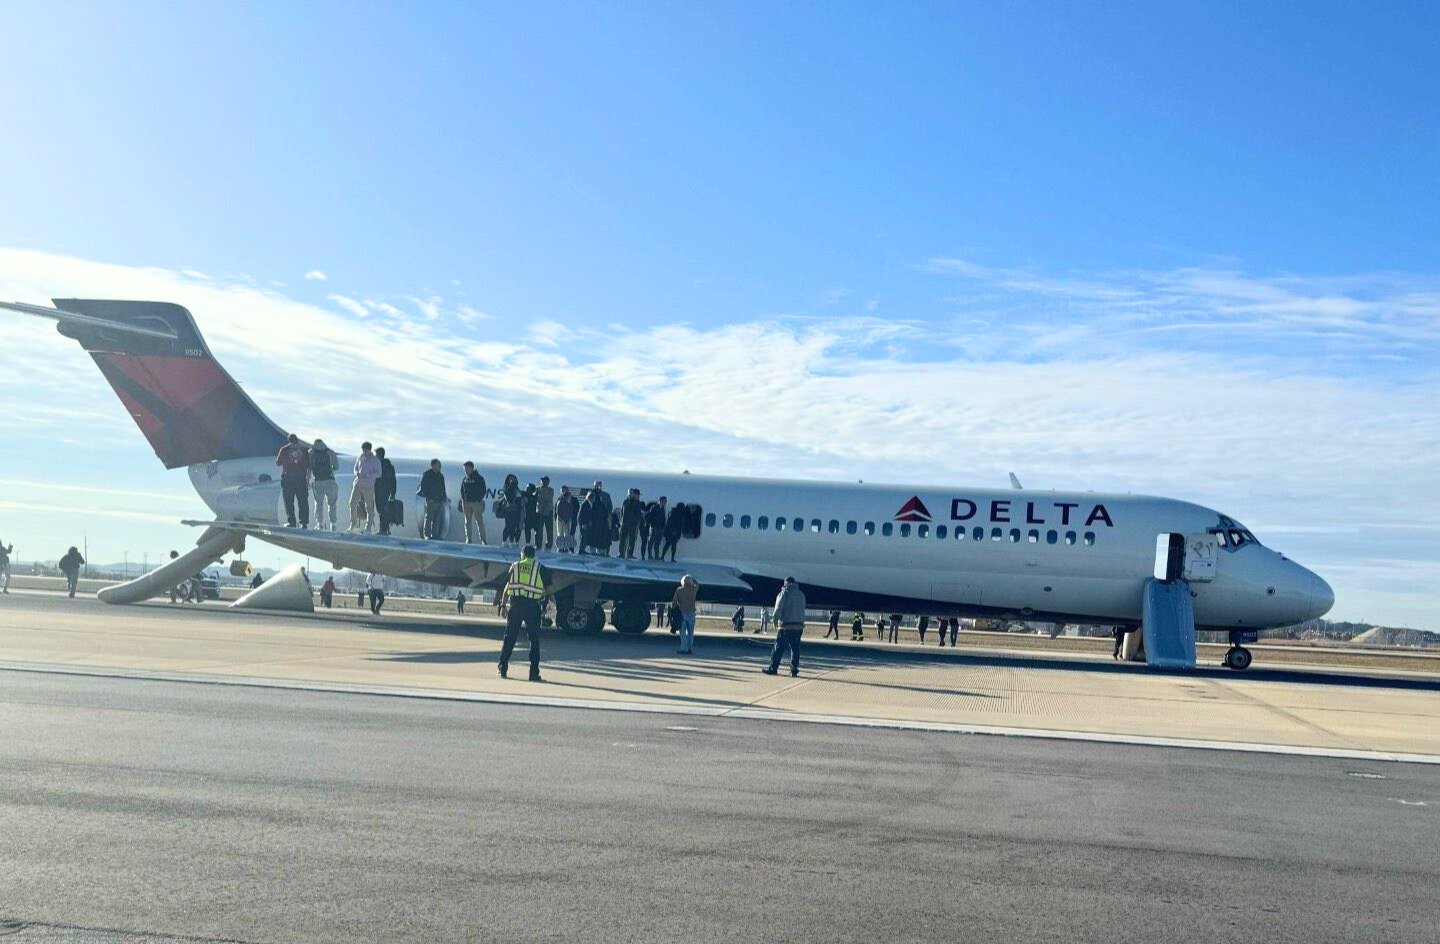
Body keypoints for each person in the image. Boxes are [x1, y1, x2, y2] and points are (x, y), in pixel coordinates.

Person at [497, 544, 549, 681]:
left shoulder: (514, 566)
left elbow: (507, 588)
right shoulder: (540, 568)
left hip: (516, 605)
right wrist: (543, 604)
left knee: (509, 638)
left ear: (523, 554)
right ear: (534, 555)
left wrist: (503, 606)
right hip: (533, 607)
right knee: (534, 640)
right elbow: (548, 589)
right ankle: (533, 673)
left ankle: (503, 668)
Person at [763, 577, 807, 677]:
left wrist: (774, 620)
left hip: (786, 626)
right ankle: (794, 670)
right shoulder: (801, 594)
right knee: (795, 649)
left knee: (778, 648)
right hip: (799, 626)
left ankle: (773, 668)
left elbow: (778, 608)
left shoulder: (784, 593)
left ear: (785, 583)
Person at [275, 433, 312, 527]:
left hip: (288, 479)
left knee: (289, 502)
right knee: (303, 502)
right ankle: (304, 523)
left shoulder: (284, 449)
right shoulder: (304, 449)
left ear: (289, 440)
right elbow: (308, 465)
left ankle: (292, 522)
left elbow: (278, 463)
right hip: (301, 479)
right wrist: (308, 479)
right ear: (297, 440)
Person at [310, 438, 340, 530]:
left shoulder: (311, 452)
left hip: (318, 481)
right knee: (332, 503)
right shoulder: (330, 452)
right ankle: (333, 524)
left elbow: (310, 466)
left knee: (318, 504)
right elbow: (336, 467)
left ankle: (320, 524)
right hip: (330, 481)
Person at [351, 442, 381, 533]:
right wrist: (357, 473)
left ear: (369, 449)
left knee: (369, 507)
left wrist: (367, 475)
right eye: (363, 449)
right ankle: (353, 524)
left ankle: (368, 528)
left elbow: (379, 473)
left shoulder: (375, 460)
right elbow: (355, 468)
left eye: (365, 449)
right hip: (358, 483)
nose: (364, 451)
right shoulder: (360, 457)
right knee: (352, 503)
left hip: (368, 486)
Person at [458, 461, 488, 544]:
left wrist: (478, 499)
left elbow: (483, 490)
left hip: (476, 503)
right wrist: (463, 499)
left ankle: (483, 540)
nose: (465, 470)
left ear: (471, 468)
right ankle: (468, 539)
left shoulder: (479, 478)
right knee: (467, 522)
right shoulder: (465, 479)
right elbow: (462, 490)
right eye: (464, 469)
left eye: (466, 468)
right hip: (467, 503)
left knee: (479, 521)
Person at [418, 459, 447, 539]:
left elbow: (443, 488)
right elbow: (423, 487)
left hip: (439, 501)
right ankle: (427, 534)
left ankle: (434, 534)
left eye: (438, 466)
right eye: (435, 465)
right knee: (429, 518)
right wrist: (428, 497)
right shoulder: (427, 474)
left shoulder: (441, 476)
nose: (437, 467)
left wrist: (443, 499)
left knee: (437, 519)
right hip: (431, 501)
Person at [671, 575, 699, 654]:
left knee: (682, 633)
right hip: (692, 613)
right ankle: (690, 648)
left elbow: (674, 603)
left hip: (682, 613)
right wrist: (692, 578)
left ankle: (684, 648)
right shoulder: (693, 590)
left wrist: (676, 609)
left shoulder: (679, 590)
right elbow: (698, 584)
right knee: (691, 633)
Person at [374, 446, 397, 535]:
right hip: (386, 491)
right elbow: (393, 480)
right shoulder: (390, 466)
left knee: (382, 510)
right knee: (384, 510)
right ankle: (385, 529)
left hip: (380, 491)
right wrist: (393, 492)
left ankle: (383, 530)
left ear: (379, 455)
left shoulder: (380, 466)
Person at [619, 488, 644, 559]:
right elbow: (623, 512)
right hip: (626, 524)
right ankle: (621, 553)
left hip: (632, 524)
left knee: (632, 540)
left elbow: (638, 514)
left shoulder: (637, 503)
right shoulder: (627, 502)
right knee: (623, 539)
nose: (638, 496)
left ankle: (629, 554)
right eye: (637, 495)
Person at [500, 474, 522, 546]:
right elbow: (509, 498)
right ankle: (504, 541)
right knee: (508, 526)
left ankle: (511, 542)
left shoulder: (517, 488)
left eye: (514, 479)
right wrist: (511, 485)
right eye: (511, 479)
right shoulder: (507, 488)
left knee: (514, 527)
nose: (512, 480)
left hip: (517, 510)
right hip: (510, 510)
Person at [534, 476, 555, 550]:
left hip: (548, 512)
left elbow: (547, 499)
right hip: (539, 512)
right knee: (538, 530)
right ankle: (538, 545)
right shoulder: (537, 489)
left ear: (548, 482)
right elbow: (534, 497)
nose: (543, 482)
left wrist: (539, 498)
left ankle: (548, 545)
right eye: (542, 481)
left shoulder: (550, 490)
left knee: (549, 530)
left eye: (545, 481)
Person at [555, 486, 578, 551]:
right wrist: (562, 519)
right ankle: (560, 547)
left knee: (568, 534)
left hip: (568, 520)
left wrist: (568, 519)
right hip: (561, 520)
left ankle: (567, 547)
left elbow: (573, 511)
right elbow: (558, 511)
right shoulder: (560, 500)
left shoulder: (572, 501)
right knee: (560, 534)